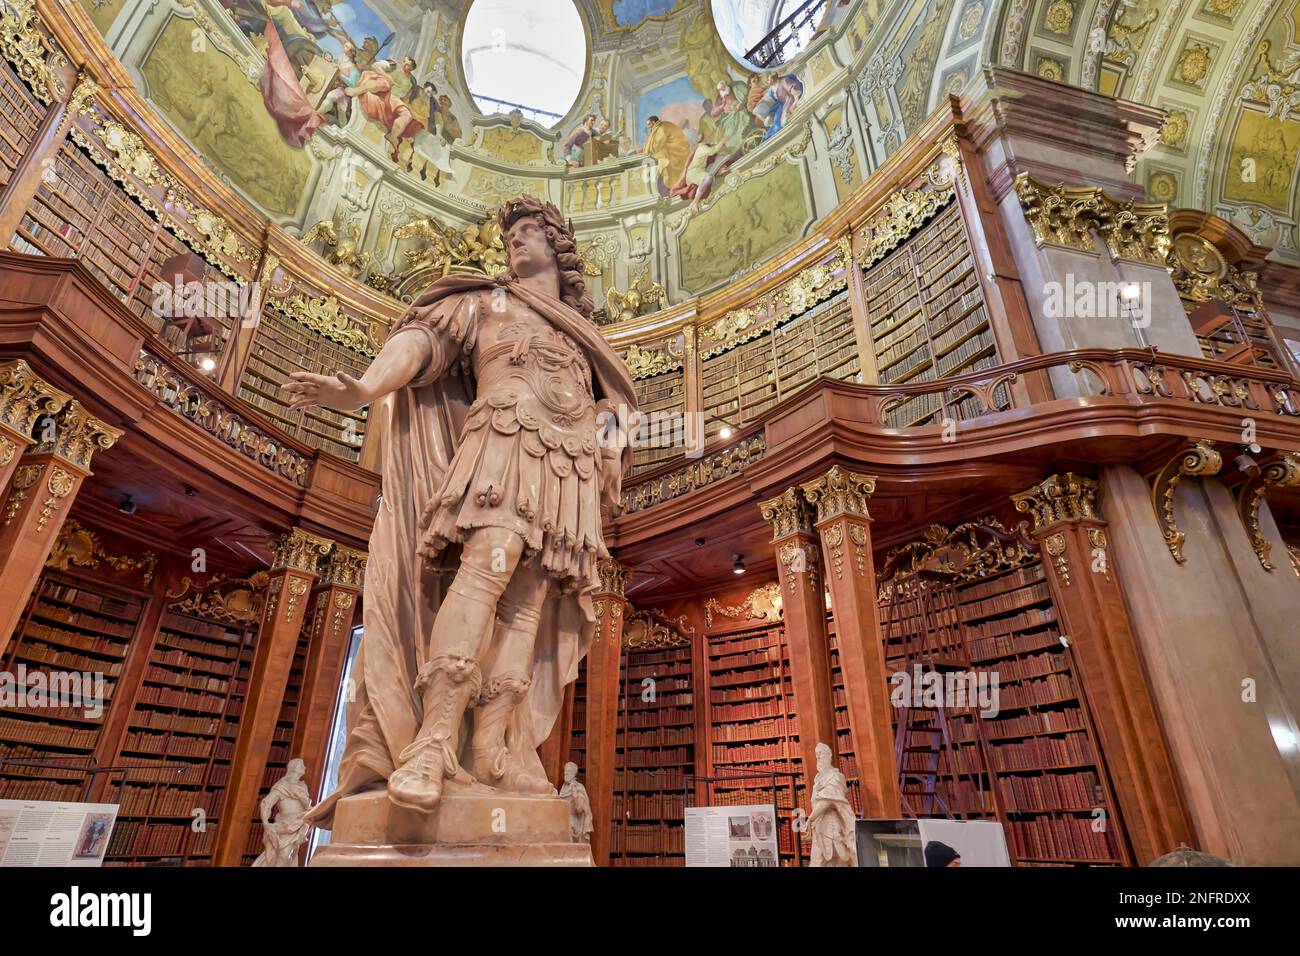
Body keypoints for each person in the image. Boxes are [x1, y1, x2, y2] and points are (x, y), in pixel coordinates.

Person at [288, 197, 637, 820]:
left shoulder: (586, 338)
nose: (514, 244)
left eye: (528, 232)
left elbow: (615, 406)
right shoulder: (482, 301)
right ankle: (434, 739)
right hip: (504, 440)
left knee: (530, 602)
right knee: (484, 570)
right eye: (509, 237)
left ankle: (493, 750)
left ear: (558, 245)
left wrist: (610, 436)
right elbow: (424, 342)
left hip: (570, 467)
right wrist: (367, 387)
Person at [643, 115, 691, 195]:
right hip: (671, 149)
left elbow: (658, 145)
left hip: (675, 151)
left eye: (649, 124)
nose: (648, 127)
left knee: (663, 162)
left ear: (654, 122)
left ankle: (671, 188)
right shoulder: (660, 126)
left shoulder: (661, 128)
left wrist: (650, 150)